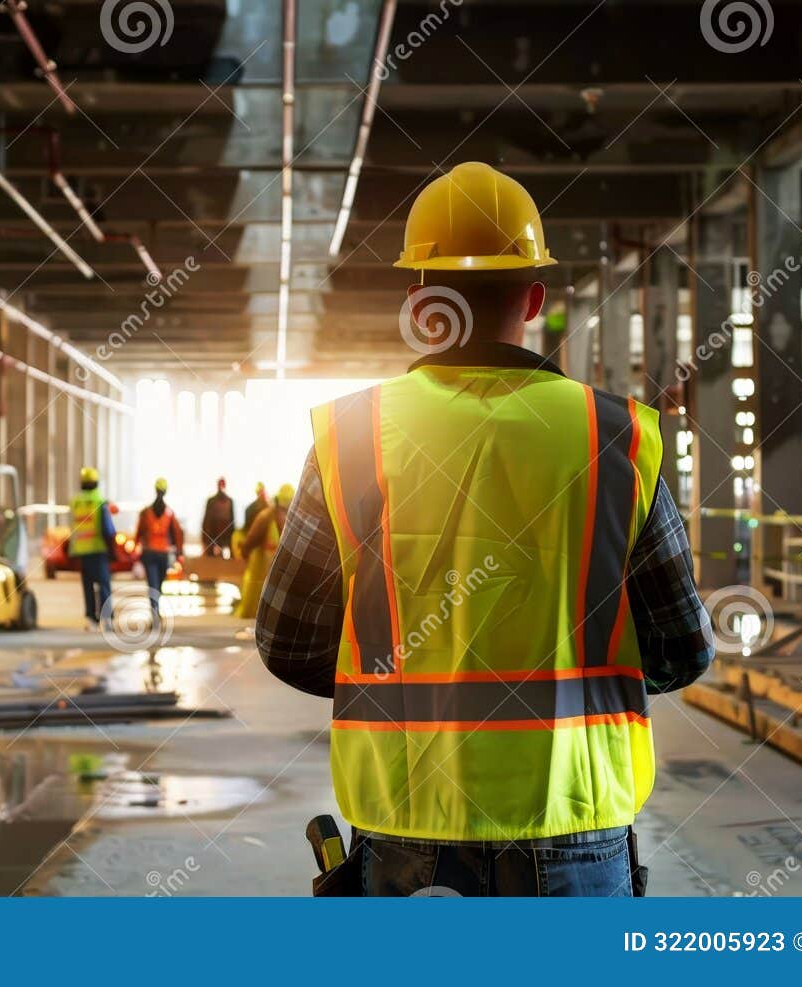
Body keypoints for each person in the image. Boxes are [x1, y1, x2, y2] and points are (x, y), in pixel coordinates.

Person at [254, 162, 712, 897]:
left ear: (420, 298)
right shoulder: (615, 437)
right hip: (577, 831)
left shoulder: (351, 437)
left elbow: (288, 642)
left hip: (409, 830)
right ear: (533, 298)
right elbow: (683, 647)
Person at [235, 483, 292, 621]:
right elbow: (253, 536)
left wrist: (245, 548)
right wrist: (245, 549)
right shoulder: (267, 516)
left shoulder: (282, 516)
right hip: (266, 564)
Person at [68, 466, 115, 631]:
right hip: (98, 550)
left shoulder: (75, 502)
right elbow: (108, 530)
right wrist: (113, 550)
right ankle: (107, 618)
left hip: (81, 551)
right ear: (96, 483)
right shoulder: (99, 502)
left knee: (87, 585)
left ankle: (91, 619)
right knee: (103, 584)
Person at [135, 477, 185, 614]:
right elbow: (178, 533)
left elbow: (139, 531)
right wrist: (179, 552)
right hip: (163, 553)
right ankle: (156, 609)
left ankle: (155, 609)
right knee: (159, 584)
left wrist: (135, 548)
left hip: (149, 553)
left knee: (153, 583)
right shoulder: (169, 513)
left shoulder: (145, 512)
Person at [200, 478, 235, 558]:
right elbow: (207, 521)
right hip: (213, 536)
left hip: (223, 537)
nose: (221, 487)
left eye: (222, 485)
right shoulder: (212, 501)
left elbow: (232, 522)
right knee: (211, 560)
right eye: (220, 484)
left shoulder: (229, 501)